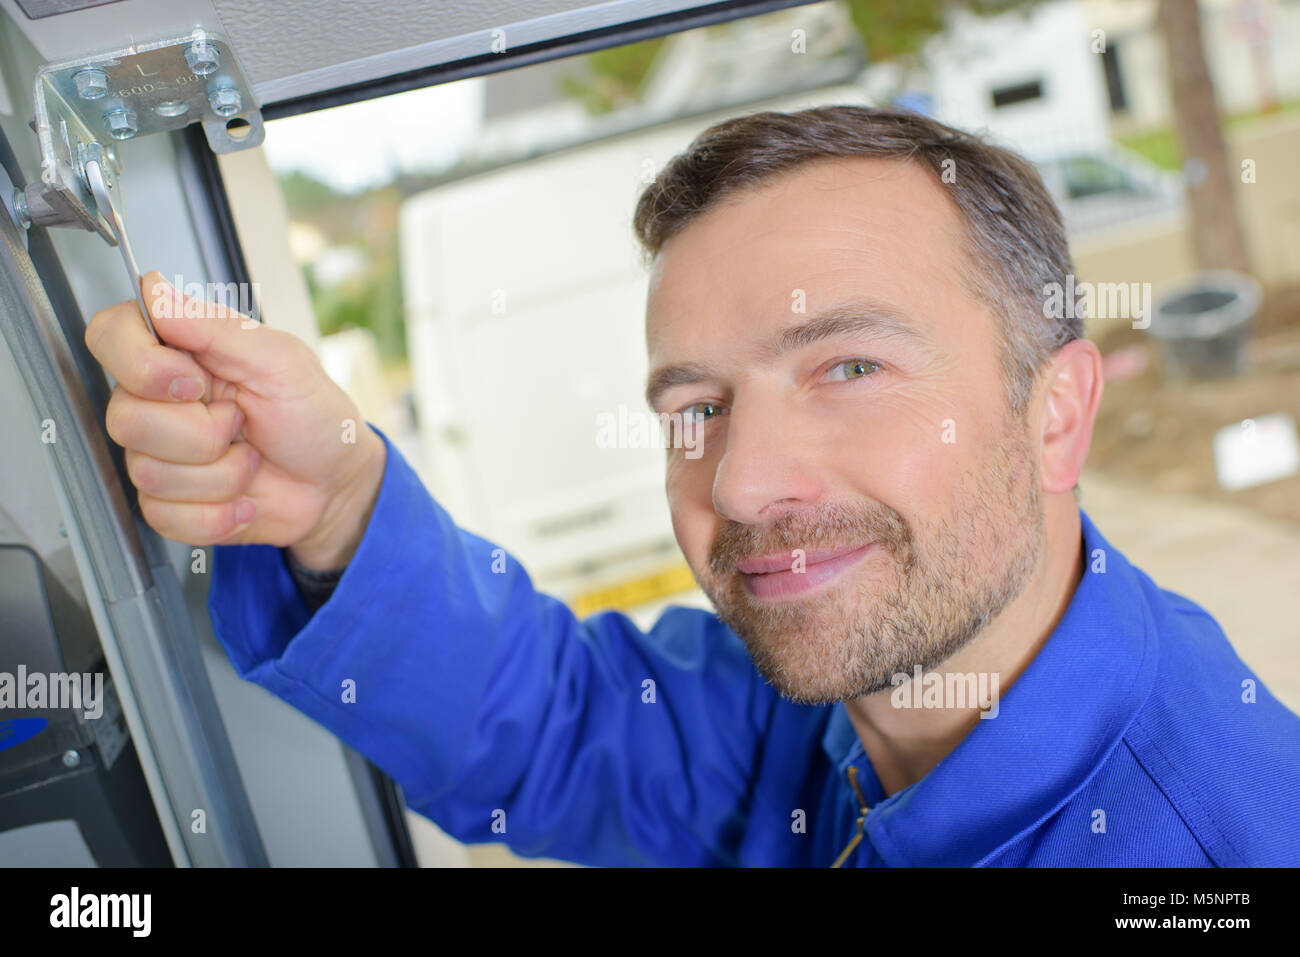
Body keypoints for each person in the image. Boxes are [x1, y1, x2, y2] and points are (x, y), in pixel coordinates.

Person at [84, 106, 1300, 866]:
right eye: (696, 408)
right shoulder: (817, 707)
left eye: (850, 365)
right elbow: (556, 724)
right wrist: (336, 504)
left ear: (1057, 414)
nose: (747, 479)